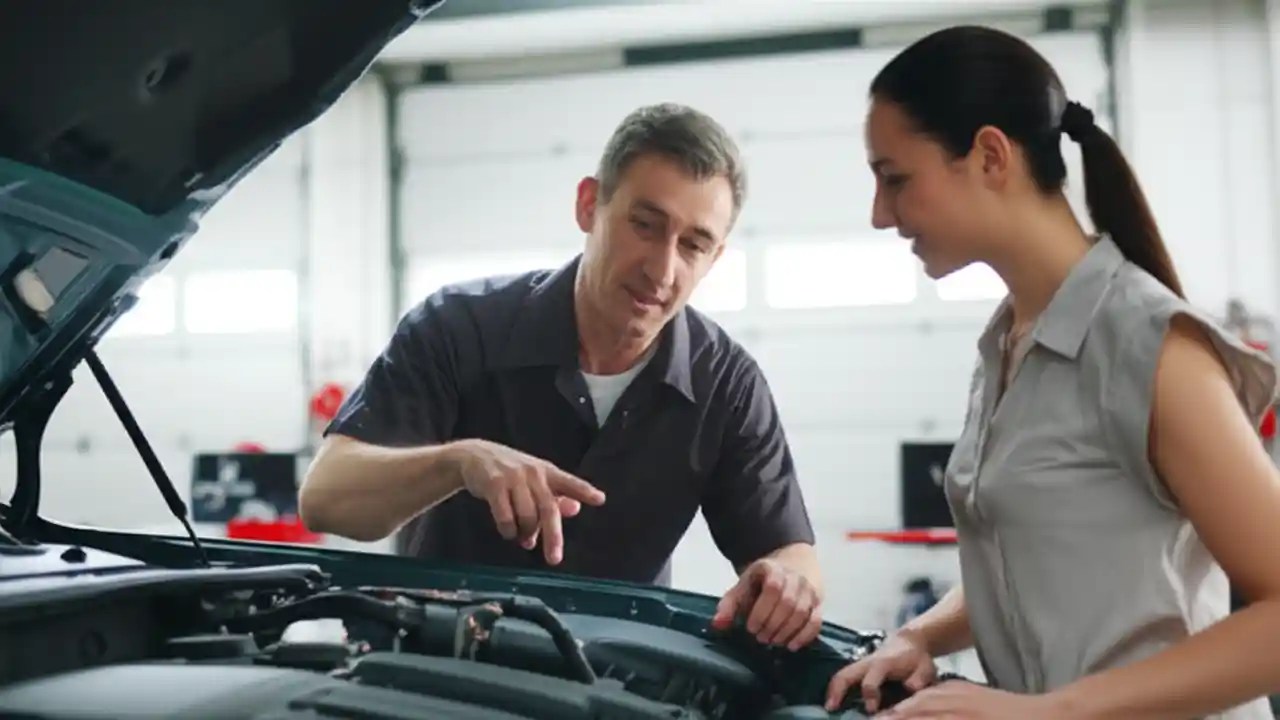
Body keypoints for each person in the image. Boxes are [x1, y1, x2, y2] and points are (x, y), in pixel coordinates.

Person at [824, 25, 1280, 719]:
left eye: (895, 180)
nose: (880, 214)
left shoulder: (1151, 346)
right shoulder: (1005, 347)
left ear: (988, 156)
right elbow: (1031, 564)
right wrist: (917, 635)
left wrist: (1050, 712)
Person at [298, 102, 825, 651]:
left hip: (610, 690)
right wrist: (459, 461)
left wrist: (790, 582)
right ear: (589, 204)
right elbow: (327, 498)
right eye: (645, 226)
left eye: (693, 245)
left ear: (715, 257)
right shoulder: (456, 328)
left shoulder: (727, 385)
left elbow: (789, 555)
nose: (663, 269)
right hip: (434, 679)